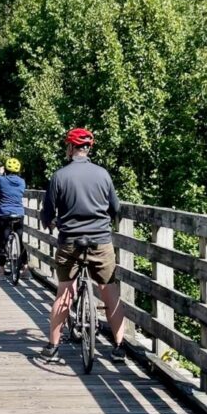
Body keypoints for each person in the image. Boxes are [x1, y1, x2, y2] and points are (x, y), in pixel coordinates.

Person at [40, 128, 125, 362]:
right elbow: (115, 208)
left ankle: (53, 346)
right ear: (88, 149)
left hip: (70, 241)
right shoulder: (103, 174)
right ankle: (119, 347)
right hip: (100, 241)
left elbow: (48, 211)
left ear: (70, 148)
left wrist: (49, 222)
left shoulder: (59, 176)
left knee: (65, 291)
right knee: (110, 291)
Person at [0, 157, 28, 281]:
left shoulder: (1, 179)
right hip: (18, 214)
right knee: (20, 241)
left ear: (6, 169)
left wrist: (0, 173)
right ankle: (26, 270)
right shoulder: (22, 181)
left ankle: (0, 271)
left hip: (4, 214)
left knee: (3, 242)